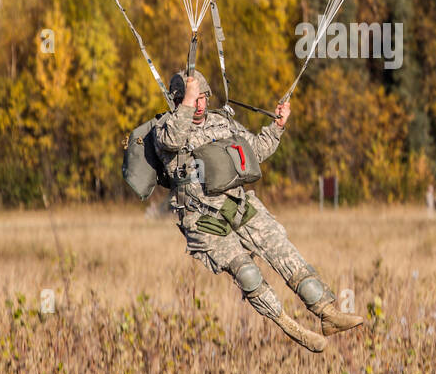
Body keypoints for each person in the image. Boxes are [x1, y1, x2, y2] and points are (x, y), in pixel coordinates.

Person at [152, 70, 363, 352]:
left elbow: (256, 151)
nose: (199, 104)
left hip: (238, 205)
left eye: (202, 97)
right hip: (204, 221)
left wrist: (277, 127)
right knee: (248, 273)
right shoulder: (166, 128)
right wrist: (187, 103)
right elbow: (172, 143)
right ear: (178, 100)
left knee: (281, 248)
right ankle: (290, 326)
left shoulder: (222, 122)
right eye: (193, 99)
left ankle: (327, 312)